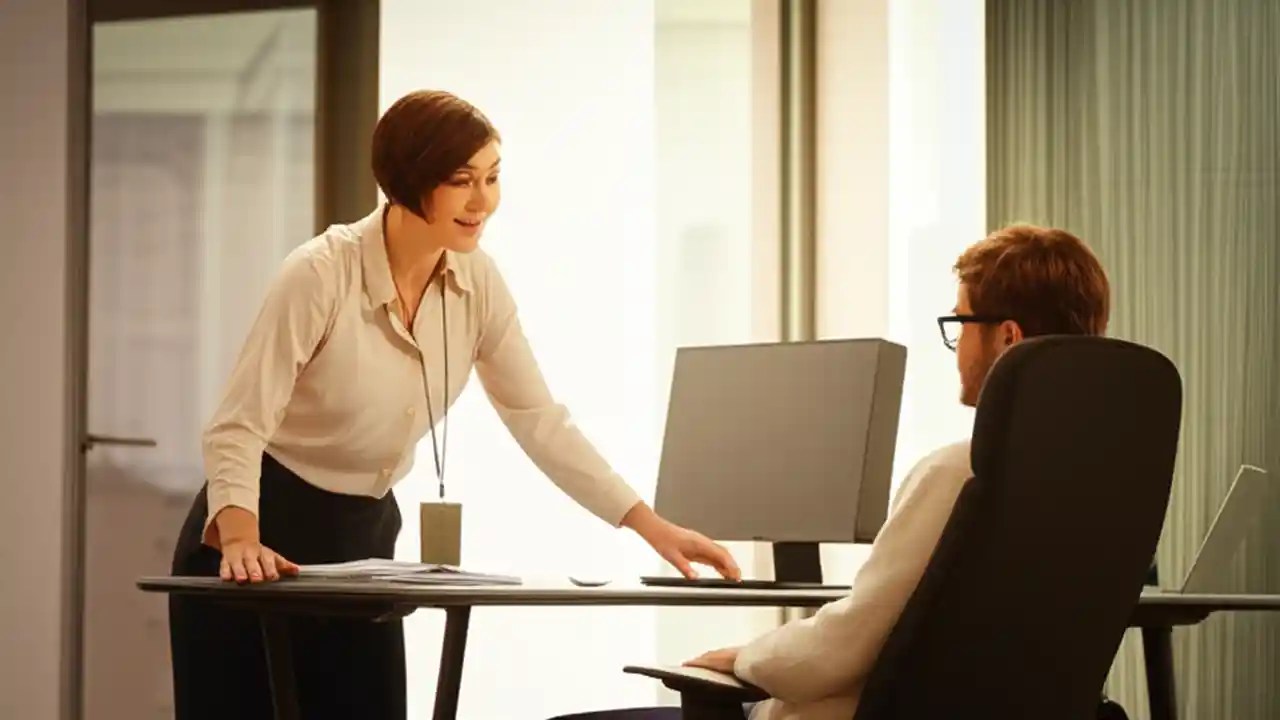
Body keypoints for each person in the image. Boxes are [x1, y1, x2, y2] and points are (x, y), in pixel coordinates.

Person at [167, 89, 740, 720]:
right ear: (407, 180)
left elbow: (539, 420)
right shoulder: (320, 274)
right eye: (461, 180)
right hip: (262, 539)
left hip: (365, 543)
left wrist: (651, 526)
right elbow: (239, 422)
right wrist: (241, 537)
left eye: (492, 178)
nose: (482, 201)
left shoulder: (478, 283)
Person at [574, 224, 1111, 720]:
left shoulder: (962, 473)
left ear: (1008, 337)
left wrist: (746, 658)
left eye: (960, 324)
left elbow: (842, 649)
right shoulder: (1096, 486)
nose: (956, 348)